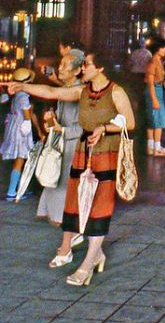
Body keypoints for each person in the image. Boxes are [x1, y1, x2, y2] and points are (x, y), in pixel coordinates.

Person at [9, 51, 135, 283]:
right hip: (82, 152)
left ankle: (87, 263)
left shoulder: (116, 92)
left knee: (99, 205)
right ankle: (94, 254)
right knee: (76, 203)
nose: (82, 68)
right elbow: (52, 91)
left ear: (100, 69)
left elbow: (130, 121)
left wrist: (104, 128)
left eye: (87, 64)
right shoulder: (82, 91)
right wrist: (22, 87)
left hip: (105, 153)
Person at [36, 49, 85, 226]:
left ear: (78, 70)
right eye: (60, 65)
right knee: (54, 176)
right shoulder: (65, 89)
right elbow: (59, 113)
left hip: (73, 144)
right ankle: (54, 213)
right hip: (61, 141)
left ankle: (62, 217)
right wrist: (51, 117)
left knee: (64, 180)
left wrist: (63, 130)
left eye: (65, 66)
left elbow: (85, 126)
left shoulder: (81, 92)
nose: (60, 69)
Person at [1, 67, 43, 201]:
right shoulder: (24, 96)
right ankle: (12, 191)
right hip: (21, 130)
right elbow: (28, 115)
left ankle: (18, 188)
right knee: (20, 160)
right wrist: (34, 129)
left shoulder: (16, 95)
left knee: (19, 160)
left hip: (13, 127)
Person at [145, 39, 165, 157]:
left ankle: (151, 147)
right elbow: (150, 82)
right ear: (157, 49)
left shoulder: (158, 60)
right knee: (158, 120)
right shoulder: (154, 62)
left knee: (152, 120)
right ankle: (157, 148)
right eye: (163, 47)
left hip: (156, 89)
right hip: (154, 90)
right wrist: (154, 98)